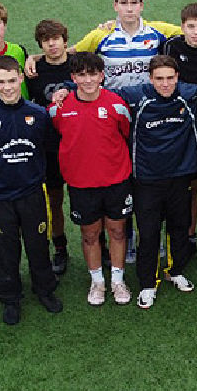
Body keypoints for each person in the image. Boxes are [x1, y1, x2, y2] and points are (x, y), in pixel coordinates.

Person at [0, 56, 61, 325]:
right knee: (4, 251)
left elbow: (50, 150)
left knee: (38, 245)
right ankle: (10, 298)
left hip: (33, 193)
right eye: (1, 82)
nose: (7, 87)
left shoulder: (39, 114)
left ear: (21, 78)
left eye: (12, 80)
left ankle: (44, 290)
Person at [114, 55, 197, 308]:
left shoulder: (188, 94)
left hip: (179, 176)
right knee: (149, 232)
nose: (165, 84)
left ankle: (175, 271)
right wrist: (66, 88)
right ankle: (148, 283)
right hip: (146, 179)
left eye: (170, 78)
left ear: (178, 78)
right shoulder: (135, 95)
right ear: (150, 79)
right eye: (159, 79)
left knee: (179, 226)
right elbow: (98, 88)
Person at [49, 52, 134, 307]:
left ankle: (117, 280)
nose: (88, 80)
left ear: (102, 76)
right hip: (81, 184)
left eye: (93, 74)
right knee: (90, 234)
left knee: (118, 231)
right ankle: (97, 281)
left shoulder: (117, 105)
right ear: (73, 77)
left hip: (116, 179)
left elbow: (125, 133)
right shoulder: (58, 109)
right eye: (82, 75)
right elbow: (57, 134)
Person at [27, 19, 76, 275]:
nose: (52, 44)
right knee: (54, 199)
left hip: (79, 144)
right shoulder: (34, 71)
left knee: (87, 197)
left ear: (65, 40)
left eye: (56, 38)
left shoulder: (78, 62)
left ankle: (99, 246)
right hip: (49, 146)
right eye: (46, 41)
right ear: (41, 44)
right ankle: (60, 247)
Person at [73, 0, 182, 89]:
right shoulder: (101, 34)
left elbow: (192, 32)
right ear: (115, 6)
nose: (129, 9)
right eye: (123, 3)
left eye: (134, 3)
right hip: (115, 101)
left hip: (147, 101)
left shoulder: (158, 31)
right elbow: (69, 56)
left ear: (141, 6)